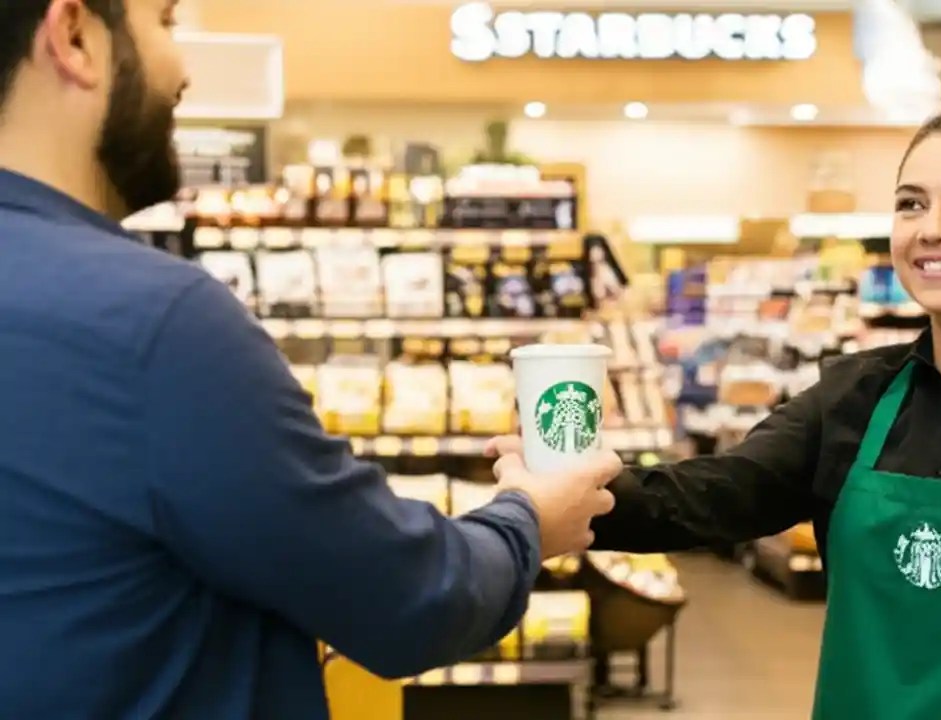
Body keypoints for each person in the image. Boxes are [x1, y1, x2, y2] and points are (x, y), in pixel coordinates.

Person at [489, 102, 941, 720]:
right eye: (911, 204)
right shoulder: (850, 400)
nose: (931, 228)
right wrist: (558, 491)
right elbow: (705, 499)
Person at [0, 2, 616, 718]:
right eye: (166, 22)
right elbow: (401, 598)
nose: (185, 67)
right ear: (73, 35)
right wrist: (530, 521)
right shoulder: (152, 323)